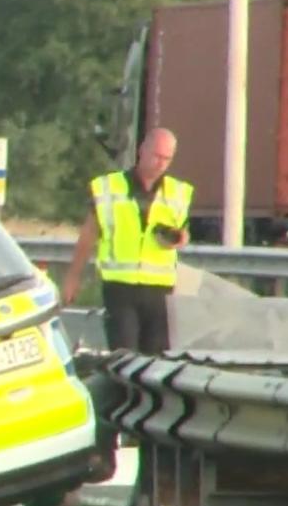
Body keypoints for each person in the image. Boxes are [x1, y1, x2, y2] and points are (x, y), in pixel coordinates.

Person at [62, 127, 193, 354]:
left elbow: (183, 230)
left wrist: (180, 238)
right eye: (157, 156)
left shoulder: (178, 191)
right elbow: (89, 234)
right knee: (124, 357)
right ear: (142, 150)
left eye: (167, 158)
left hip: (160, 290)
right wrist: (74, 277)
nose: (161, 163)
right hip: (120, 287)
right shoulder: (109, 187)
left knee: (156, 362)